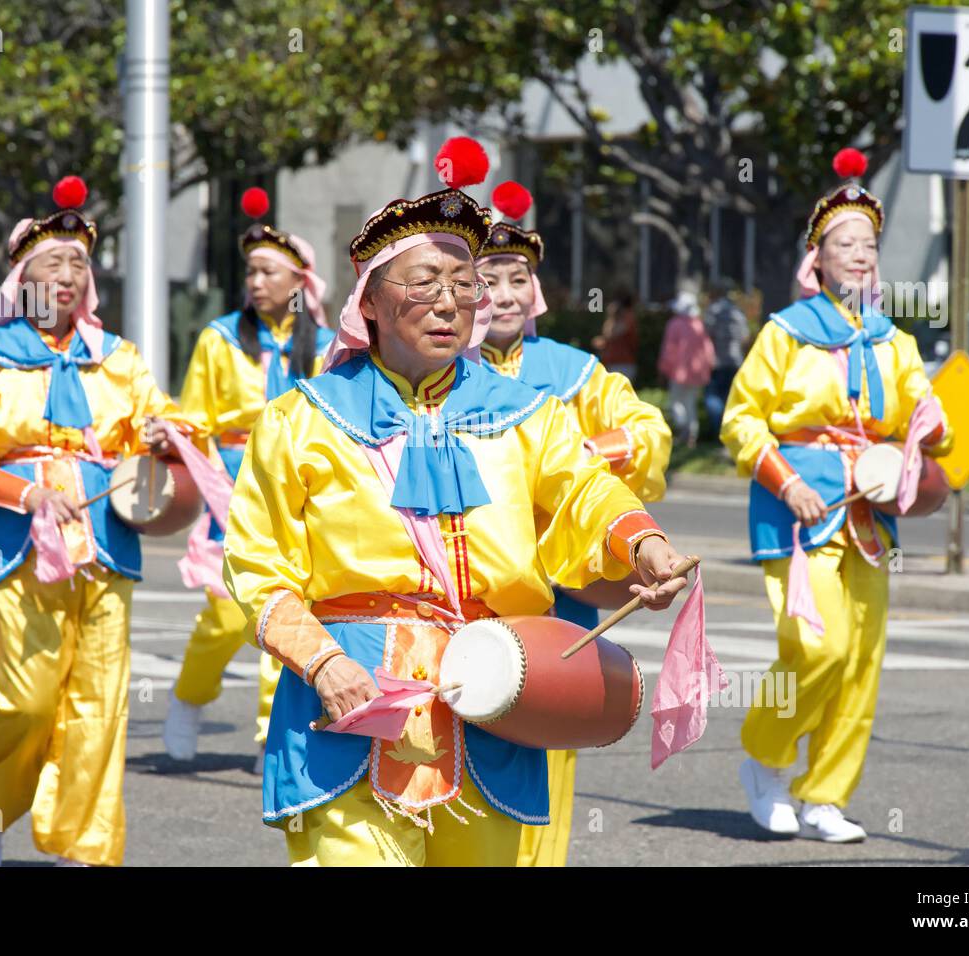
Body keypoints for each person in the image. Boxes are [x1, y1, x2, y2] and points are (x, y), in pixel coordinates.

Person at [224, 138, 692, 866]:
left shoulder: (527, 411)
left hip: (495, 696)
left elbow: (583, 489)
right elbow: (257, 566)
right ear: (370, 302)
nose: (449, 301)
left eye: (463, 282)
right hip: (354, 700)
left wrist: (642, 542)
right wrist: (320, 662)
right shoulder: (303, 419)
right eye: (424, 281)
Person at [0, 176, 190, 867]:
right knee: (26, 701)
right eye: (55, 261)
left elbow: (152, 425)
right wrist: (30, 494)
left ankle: (84, 847)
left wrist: (163, 434)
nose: (70, 274)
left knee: (101, 705)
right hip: (20, 547)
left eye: (80, 262)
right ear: (21, 278)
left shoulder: (121, 359)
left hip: (108, 543)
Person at [720, 148, 954, 843]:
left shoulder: (895, 342)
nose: (859, 256)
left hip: (871, 516)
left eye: (869, 246)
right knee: (817, 648)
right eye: (844, 244)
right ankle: (764, 758)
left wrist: (936, 429)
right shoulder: (785, 335)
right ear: (816, 258)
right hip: (798, 510)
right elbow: (741, 419)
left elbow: (924, 420)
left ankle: (826, 795)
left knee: (860, 661)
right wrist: (786, 483)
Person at [476, 180, 673, 866]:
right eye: (487, 278)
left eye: (517, 278)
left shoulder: (571, 372)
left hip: (562, 585)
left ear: (535, 291)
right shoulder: (444, 370)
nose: (503, 293)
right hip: (472, 584)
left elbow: (647, 428)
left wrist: (599, 450)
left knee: (551, 737)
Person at [164, 189, 335, 769]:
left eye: (269, 272)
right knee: (222, 614)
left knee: (285, 607)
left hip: (297, 487)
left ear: (299, 281)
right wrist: (172, 435)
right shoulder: (219, 338)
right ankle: (189, 696)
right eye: (252, 272)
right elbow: (195, 412)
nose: (256, 282)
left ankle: (270, 734)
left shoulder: (324, 343)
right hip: (230, 485)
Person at [657, 291, 715, 449]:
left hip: (679, 372)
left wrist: (663, 368)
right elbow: (708, 349)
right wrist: (708, 367)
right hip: (697, 373)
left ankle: (683, 430)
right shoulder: (699, 324)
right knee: (690, 403)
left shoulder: (674, 324)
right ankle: (691, 435)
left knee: (676, 402)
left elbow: (669, 349)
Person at [702, 278, 750, 437]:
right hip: (736, 361)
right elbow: (745, 337)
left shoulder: (712, 311)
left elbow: (705, 336)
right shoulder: (737, 312)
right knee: (733, 400)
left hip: (717, 361)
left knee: (713, 397)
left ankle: (720, 433)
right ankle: (732, 433)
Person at [591, 293, 639, 381]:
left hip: (623, 365)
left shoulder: (628, 318)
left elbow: (611, 334)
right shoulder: (614, 320)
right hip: (611, 364)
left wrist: (611, 316)